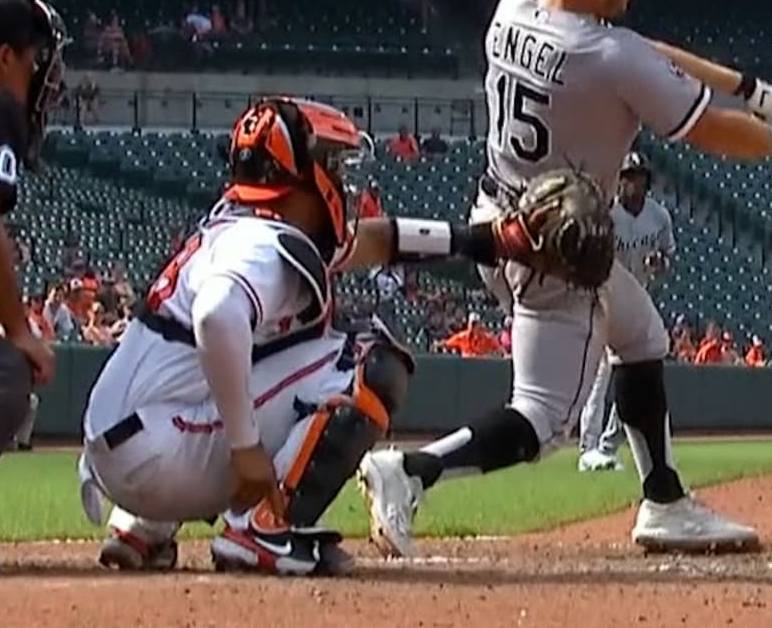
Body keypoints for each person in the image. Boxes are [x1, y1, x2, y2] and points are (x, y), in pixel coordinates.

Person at [357, 0, 772, 557]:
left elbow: (644, 53)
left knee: (641, 336)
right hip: (558, 249)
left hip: (497, 218)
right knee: (540, 419)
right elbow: (712, 130)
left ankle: (663, 499)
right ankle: (412, 472)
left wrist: (747, 86)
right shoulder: (614, 57)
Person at [82, 96, 615, 576]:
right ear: (297, 173)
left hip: (126, 442)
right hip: (159, 451)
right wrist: (246, 447)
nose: (340, 177)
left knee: (270, 352)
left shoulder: (244, 223)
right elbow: (218, 315)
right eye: (331, 163)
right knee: (369, 358)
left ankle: (143, 528)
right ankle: (261, 530)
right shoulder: (265, 245)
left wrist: (491, 240)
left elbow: (381, 241)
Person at [0, 0, 67, 578]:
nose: (36, 75)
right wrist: (18, 327)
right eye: (31, 60)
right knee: (0, 371)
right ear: (3, 57)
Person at [578, 151, 675, 473]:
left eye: (637, 177)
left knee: (633, 374)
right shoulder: (607, 216)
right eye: (627, 176)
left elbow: (667, 257)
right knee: (602, 375)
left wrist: (659, 263)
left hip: (639, 303)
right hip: (605, 300)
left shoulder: (659, 217)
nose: (632, 183)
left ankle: (605, 445)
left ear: (647, 181)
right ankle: (590, 447)